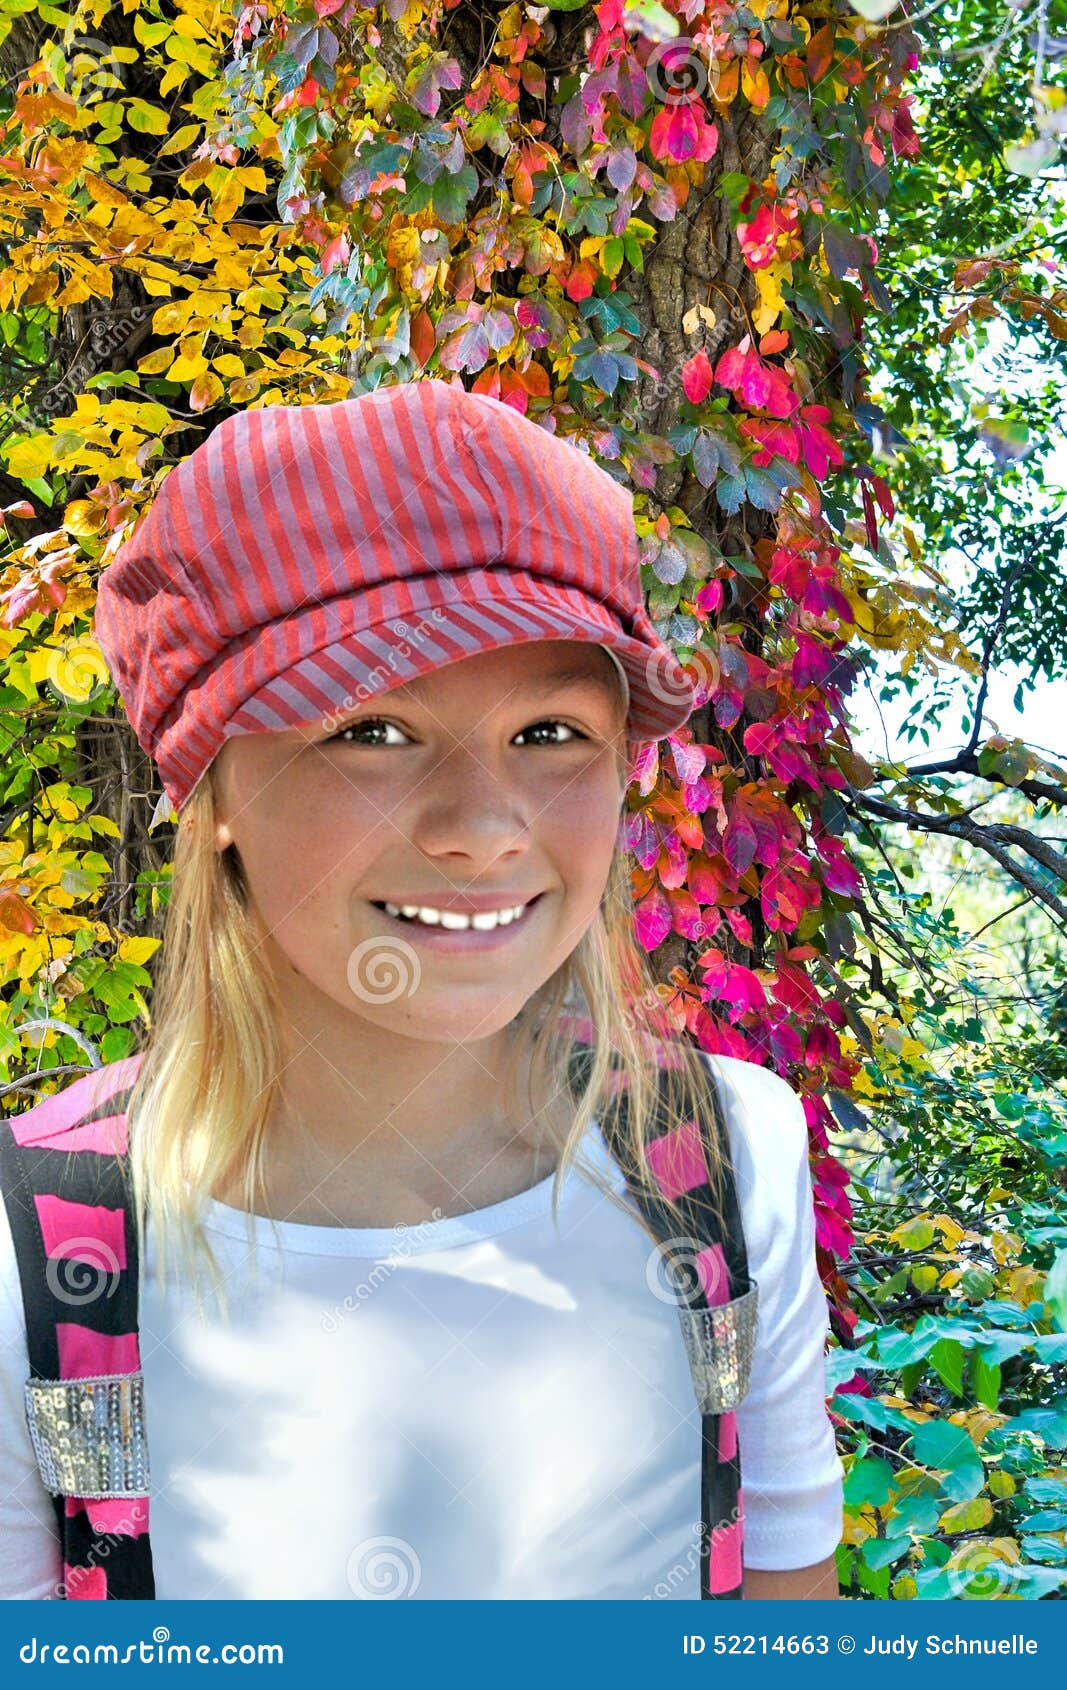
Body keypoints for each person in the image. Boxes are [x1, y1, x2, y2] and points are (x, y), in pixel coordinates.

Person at [0, 380, 843, 1600]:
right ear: (214, 787)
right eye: (374, 732)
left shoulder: (723, 1161)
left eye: (549, 732)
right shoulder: (45, 1257)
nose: (480, 829)